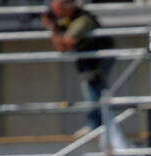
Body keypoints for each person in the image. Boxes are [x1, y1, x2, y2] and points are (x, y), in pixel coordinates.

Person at [42, 0, 110, 134]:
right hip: (88, 60)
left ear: (68, 7)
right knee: (94, 89)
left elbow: (63, 46)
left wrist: (52, 28)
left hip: (98, 59)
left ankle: (95, 125)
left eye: (57, 9)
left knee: (94, 89)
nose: (55, 13)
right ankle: (99, 124)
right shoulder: (67, 19)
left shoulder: (82, 20)